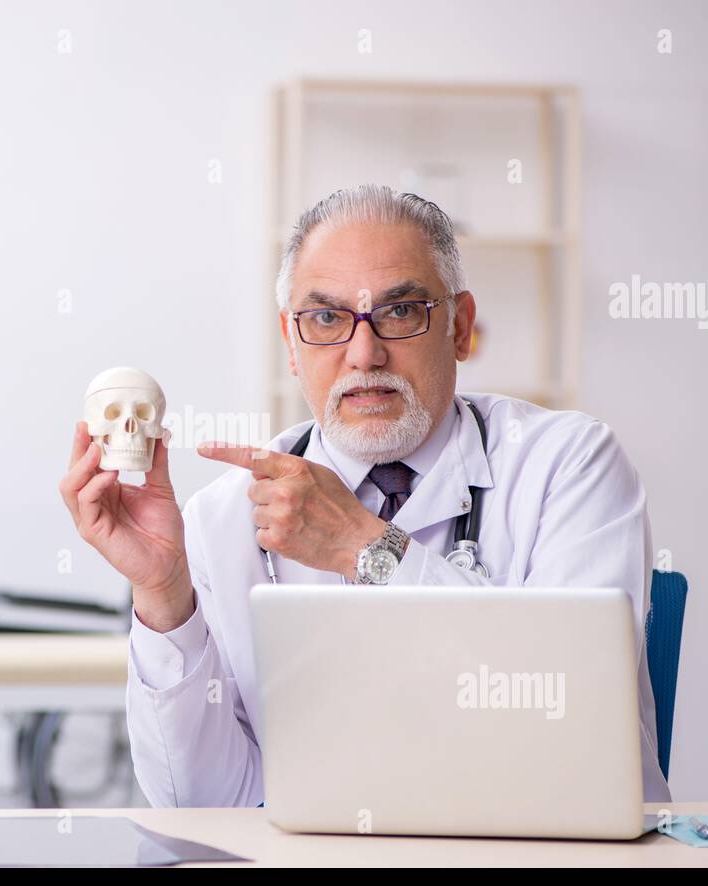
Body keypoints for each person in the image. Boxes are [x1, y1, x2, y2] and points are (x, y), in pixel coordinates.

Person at [59, 184, 671, 807]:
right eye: (326, 319)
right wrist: (164, 596)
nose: (364, 353)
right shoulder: (219, 518)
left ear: (460, 328)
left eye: (400, 312)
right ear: (291, 345)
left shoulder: (569, 465)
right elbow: (206, 807)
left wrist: (364, 547)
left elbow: (567, 729)